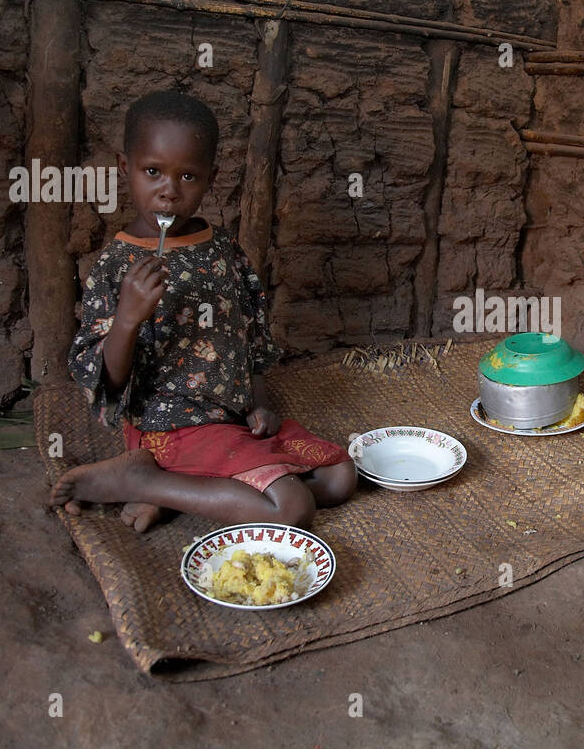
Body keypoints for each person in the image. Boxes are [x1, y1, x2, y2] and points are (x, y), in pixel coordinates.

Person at [49, 90, 356, 532]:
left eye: (188, 176)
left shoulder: (223, 249)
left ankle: (175, 492)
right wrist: (128, 319)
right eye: (152, 172)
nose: (169, 192)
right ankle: (143, 478)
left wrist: (260, 403)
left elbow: (248, 337)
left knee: (340, 477)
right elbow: (107, 379)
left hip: (231, 417)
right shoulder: (117, 267)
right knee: (292, 509)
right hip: (171, 426)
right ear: (124, 166)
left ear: (210, 178)